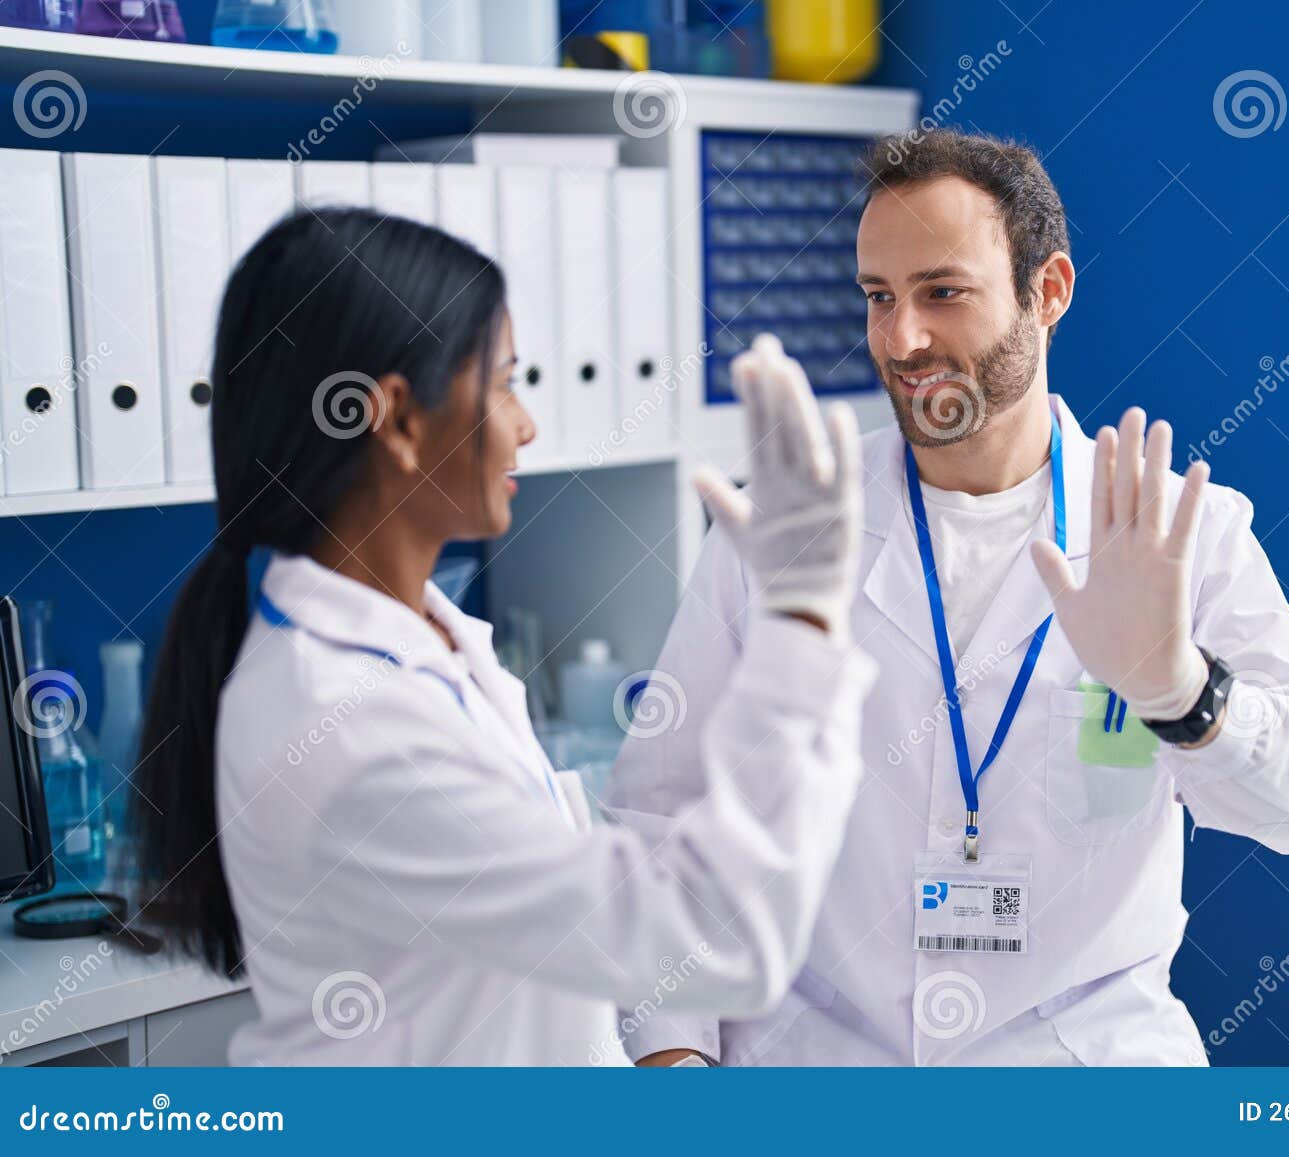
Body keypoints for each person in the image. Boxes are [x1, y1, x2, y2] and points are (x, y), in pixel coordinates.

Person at [606, 128, 1289, 1066]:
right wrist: (672, 1059)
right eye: (878, 298)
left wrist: (1184, 695)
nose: (902, 339)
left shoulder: (1181, 532)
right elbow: (662, 814)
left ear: (1047, 291)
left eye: (943, 293)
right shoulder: (785, 526)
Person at [129, 208, 875, 1065]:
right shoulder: (354, 729)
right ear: (402, 422)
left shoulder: (430, 642)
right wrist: (801, 632)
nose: (526, 426)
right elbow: (708, 945)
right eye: (506, 384)